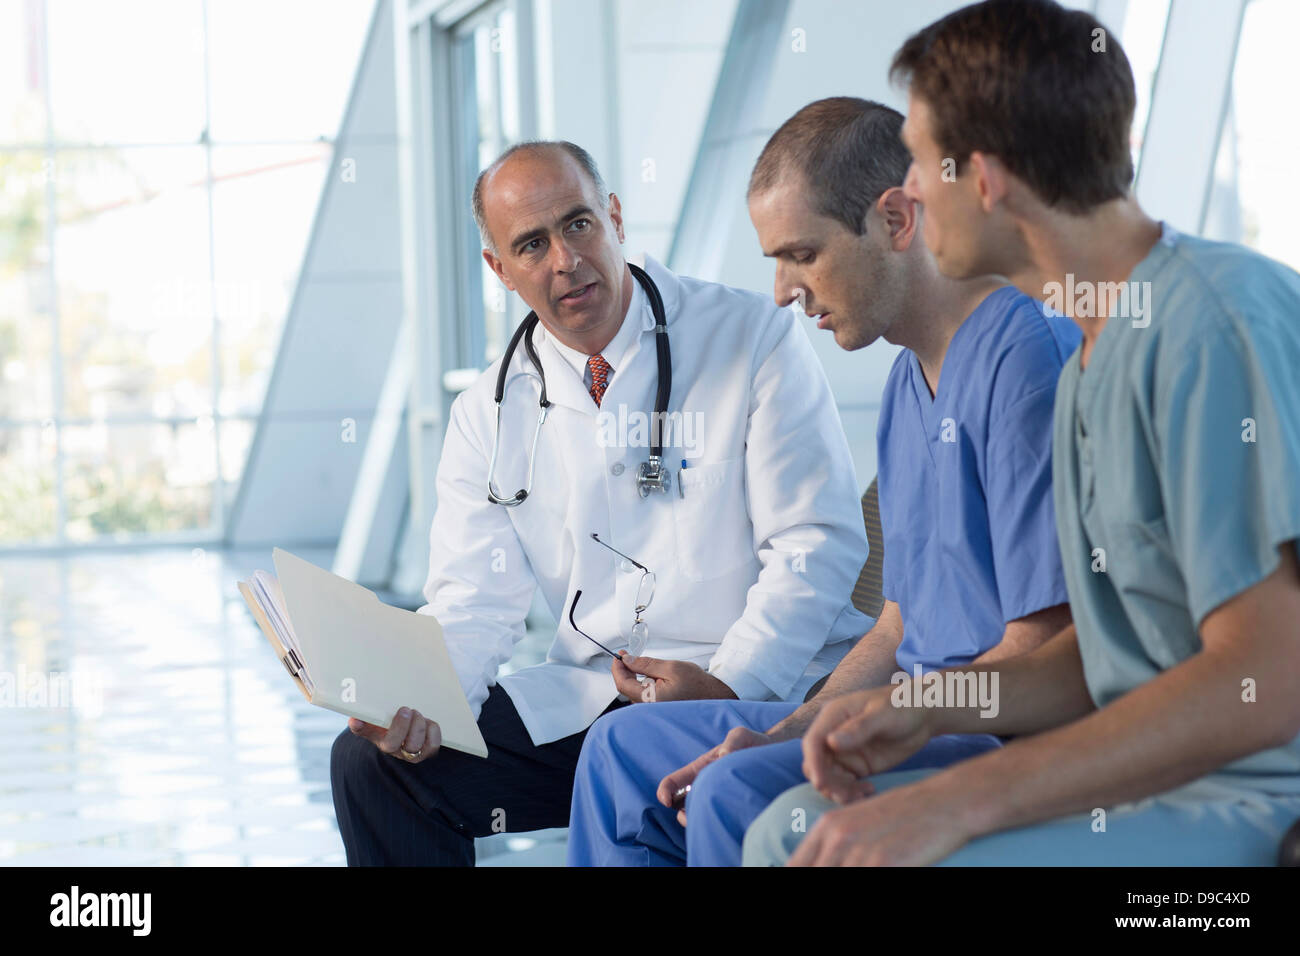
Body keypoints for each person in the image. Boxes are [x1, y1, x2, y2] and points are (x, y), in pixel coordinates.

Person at [745, 0, 1300, 867]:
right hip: (1138, 782)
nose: (913, 194)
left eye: (924, 165)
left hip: (1247, 806)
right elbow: (1103, 662)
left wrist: (967, 797)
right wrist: (925, 705)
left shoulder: (1212, 324)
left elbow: (1263, 683)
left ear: (988, 178)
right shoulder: (1087, 361)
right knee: (791, 830)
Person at [565, 97, 1078, 867]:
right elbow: (896, 629)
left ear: (897, 221)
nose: (780, 290)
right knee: (619, 750)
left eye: (801, 254)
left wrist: (879, 717)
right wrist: (780, 731)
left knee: (736, 793)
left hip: (990, 735)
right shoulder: (908, 385)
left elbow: (1046, 649)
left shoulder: (1026, 361)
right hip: (906, 712)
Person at [329, 139, 872, 865]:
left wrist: (730, 683)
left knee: (642, 747)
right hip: (600, 698)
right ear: (500, 270)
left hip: (770, 683)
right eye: (531, 244)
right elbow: (473, 603)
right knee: (375, 768)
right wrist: (422, 702)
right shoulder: (486, 411)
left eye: (578, 224)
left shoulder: (751, 336)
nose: (565, 259)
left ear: (614, 217)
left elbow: (814, 543)